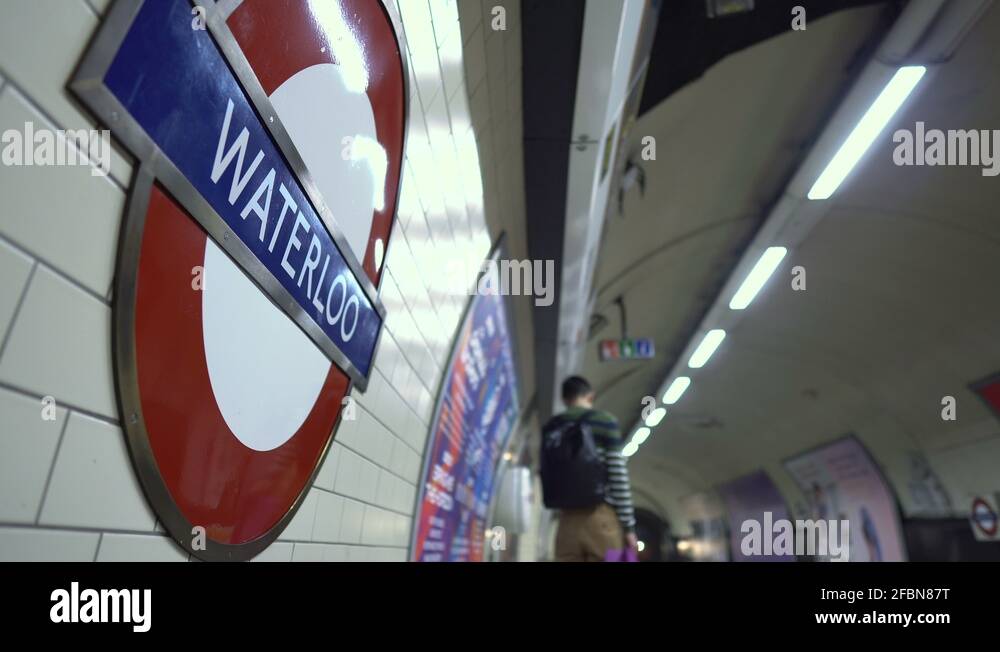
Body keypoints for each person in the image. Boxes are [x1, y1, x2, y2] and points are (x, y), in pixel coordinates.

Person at [544, 376, 637, 561]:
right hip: (601, 518)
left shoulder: (551, 427)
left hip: (566, 522)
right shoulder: (605, 421)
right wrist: (628, 527)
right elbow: (618, 475)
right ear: (590, 396)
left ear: (564, 399)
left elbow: (547, 474)